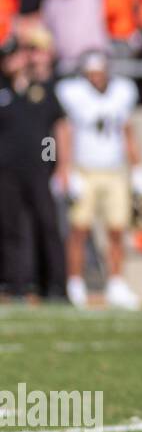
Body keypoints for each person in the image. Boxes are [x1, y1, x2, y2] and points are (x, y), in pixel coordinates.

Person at [56, 51, 142, 309]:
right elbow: (65, 130)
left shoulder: (122, 93)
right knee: (78, 229)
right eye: (91, 73)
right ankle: (74, 282)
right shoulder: (73, 94)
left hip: (114, 170)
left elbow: (126, 130)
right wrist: (66, 169)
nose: (96, 78)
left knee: (117, 228)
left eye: (99, 72)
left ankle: (116, 282)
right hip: (84, 170)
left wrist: (138, 169)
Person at [0, 31, 68, 300]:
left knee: (47, 223)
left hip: (40, 168)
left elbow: (59, 127)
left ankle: (55, 285)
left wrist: (60, 164)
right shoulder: (3, 90)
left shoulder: (41, 89)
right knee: (10, 226)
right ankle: (15, 283)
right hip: (6, 170)